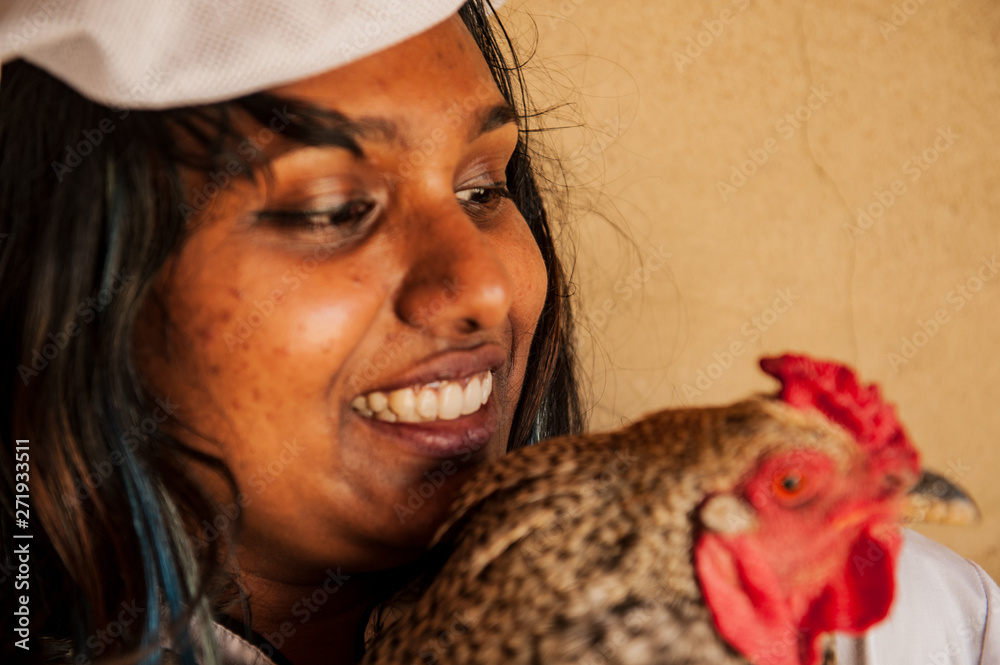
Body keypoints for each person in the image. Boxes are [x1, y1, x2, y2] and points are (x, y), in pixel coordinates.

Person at [0, 2, 995, 664]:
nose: (480, 283)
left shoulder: (905, 625)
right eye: (331, 209)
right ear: (75, 294)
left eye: (485, 188)